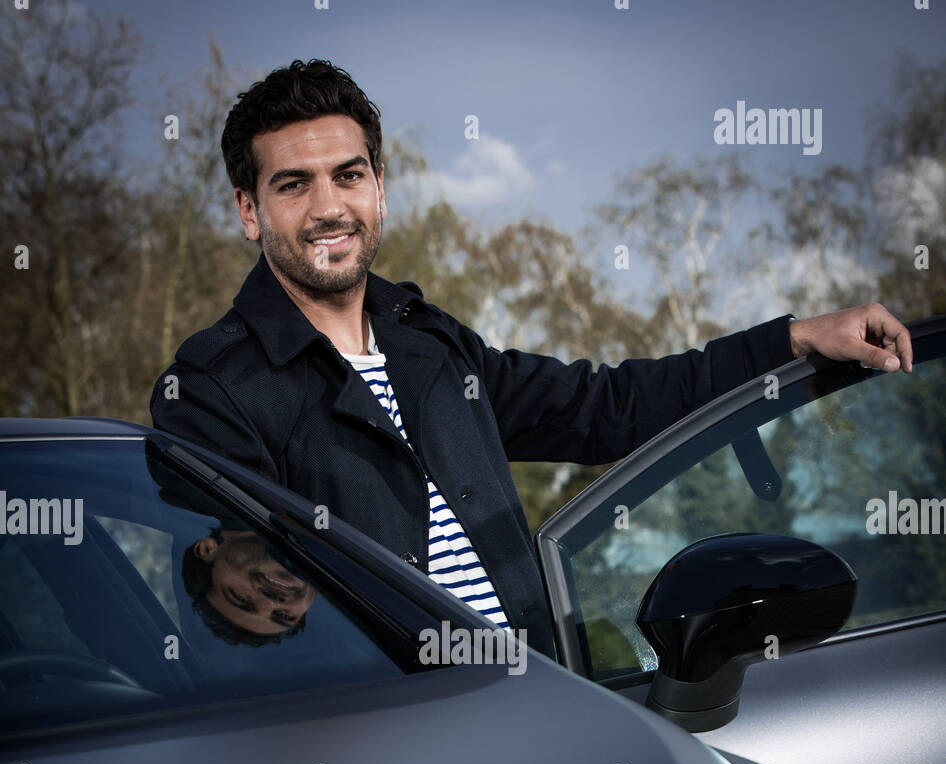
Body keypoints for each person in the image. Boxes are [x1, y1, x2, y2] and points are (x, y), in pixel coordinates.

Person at [150, 59, 914, 661]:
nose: (328, 208)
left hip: (538, 708)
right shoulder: (213, 386)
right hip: (381, 745)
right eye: (293, 185)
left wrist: (791, 341)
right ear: (250, 211)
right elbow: (244, 605)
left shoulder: (430, 343)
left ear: (379, 189)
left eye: (348, 175)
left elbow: (610, 409)